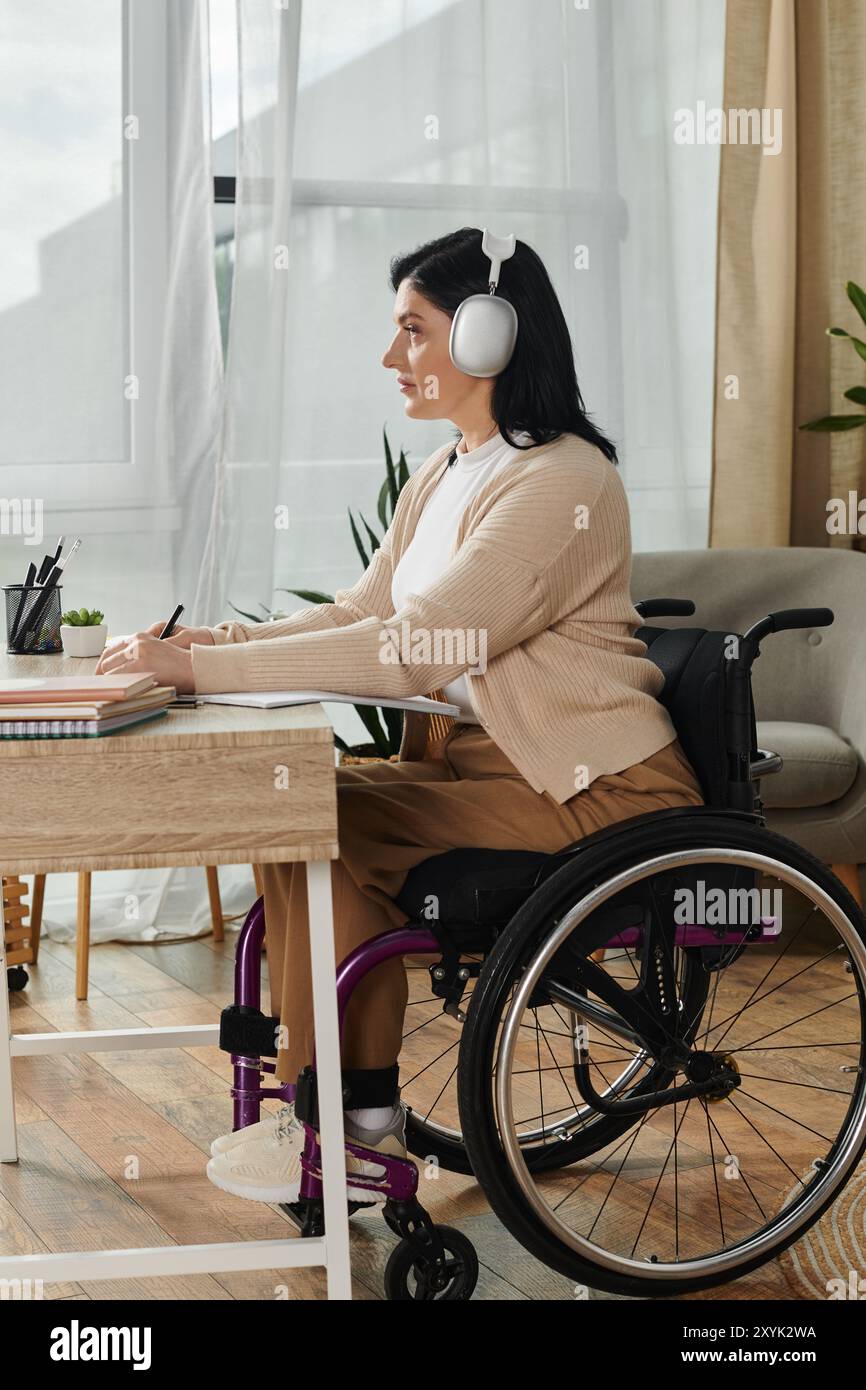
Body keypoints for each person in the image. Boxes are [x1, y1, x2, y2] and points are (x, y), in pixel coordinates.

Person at [96, 227, 704, 1204]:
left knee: (321, 820)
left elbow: (420, 647)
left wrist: (197, 676)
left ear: (486, 336)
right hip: (477, 769)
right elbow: (363, 613)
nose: (391, 358)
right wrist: (210, 646)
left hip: (587, 792)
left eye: (412, 331)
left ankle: (342, 1122)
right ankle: (338, 1114)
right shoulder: (449, 471)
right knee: (296, 810)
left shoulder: (562, 482)